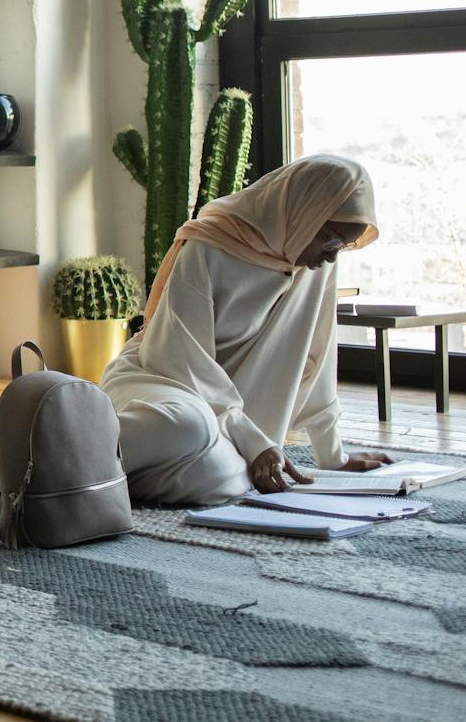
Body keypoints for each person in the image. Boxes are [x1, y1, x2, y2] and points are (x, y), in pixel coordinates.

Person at [101, 154, 391, 505]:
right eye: (329, 240)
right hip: (162, 383)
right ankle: (53, 450)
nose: (332, 256)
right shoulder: (208, 247)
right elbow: (180, 361)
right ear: (303, 213)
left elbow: (318, 356)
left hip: (230, 418)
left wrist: (334, 456)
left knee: (228, 478)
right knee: (189, 426)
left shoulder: (313, 264)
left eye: (343, 246)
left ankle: (100, 475)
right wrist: (251, 440)